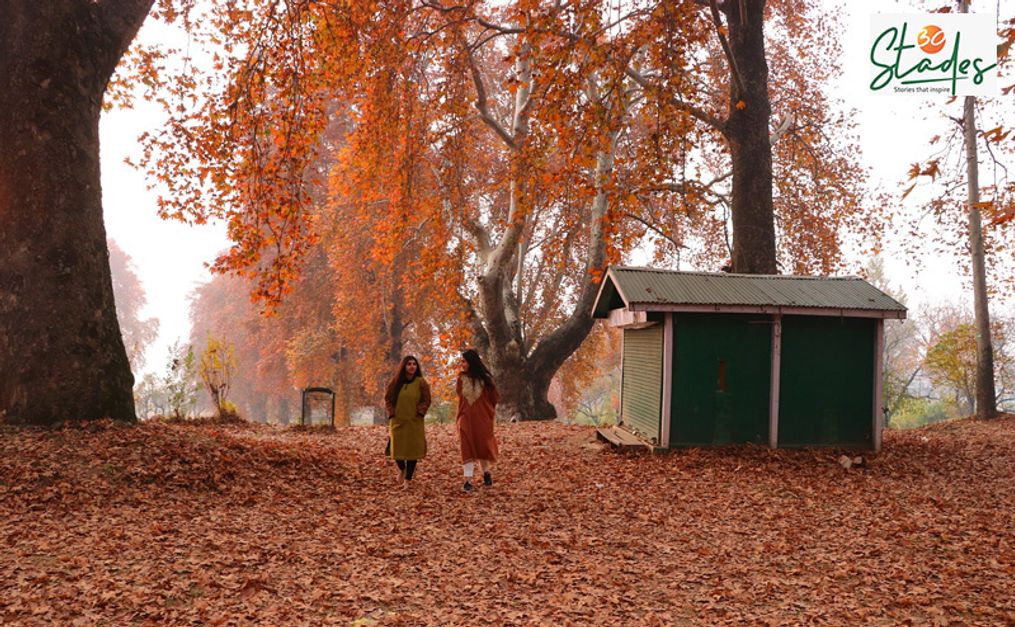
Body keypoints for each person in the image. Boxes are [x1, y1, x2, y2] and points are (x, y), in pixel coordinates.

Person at [455, 349, 499, 492]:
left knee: (482, 447)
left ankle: (486, 473)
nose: (461, 364)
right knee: (466, 448)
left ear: (471, 362)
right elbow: (460, 396)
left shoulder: (486, 379)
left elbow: (494, 399)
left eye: (464, 361)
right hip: (465, 419)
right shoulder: (461, 379)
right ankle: (468, 480)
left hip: (483, 419)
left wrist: (485, 412)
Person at [384, 355, 431, 490]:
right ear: (404, 366)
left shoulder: (421, 382)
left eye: (414, 364)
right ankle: (402, 468)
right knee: (396, 450)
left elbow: (426, 400)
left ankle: (408, 480)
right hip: (398, 420)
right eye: (409, 364)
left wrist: (420, 412)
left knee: (412, 451)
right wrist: (392, 413)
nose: (412, 366)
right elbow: (388, 398)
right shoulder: (395, 383)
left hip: (414, 421)